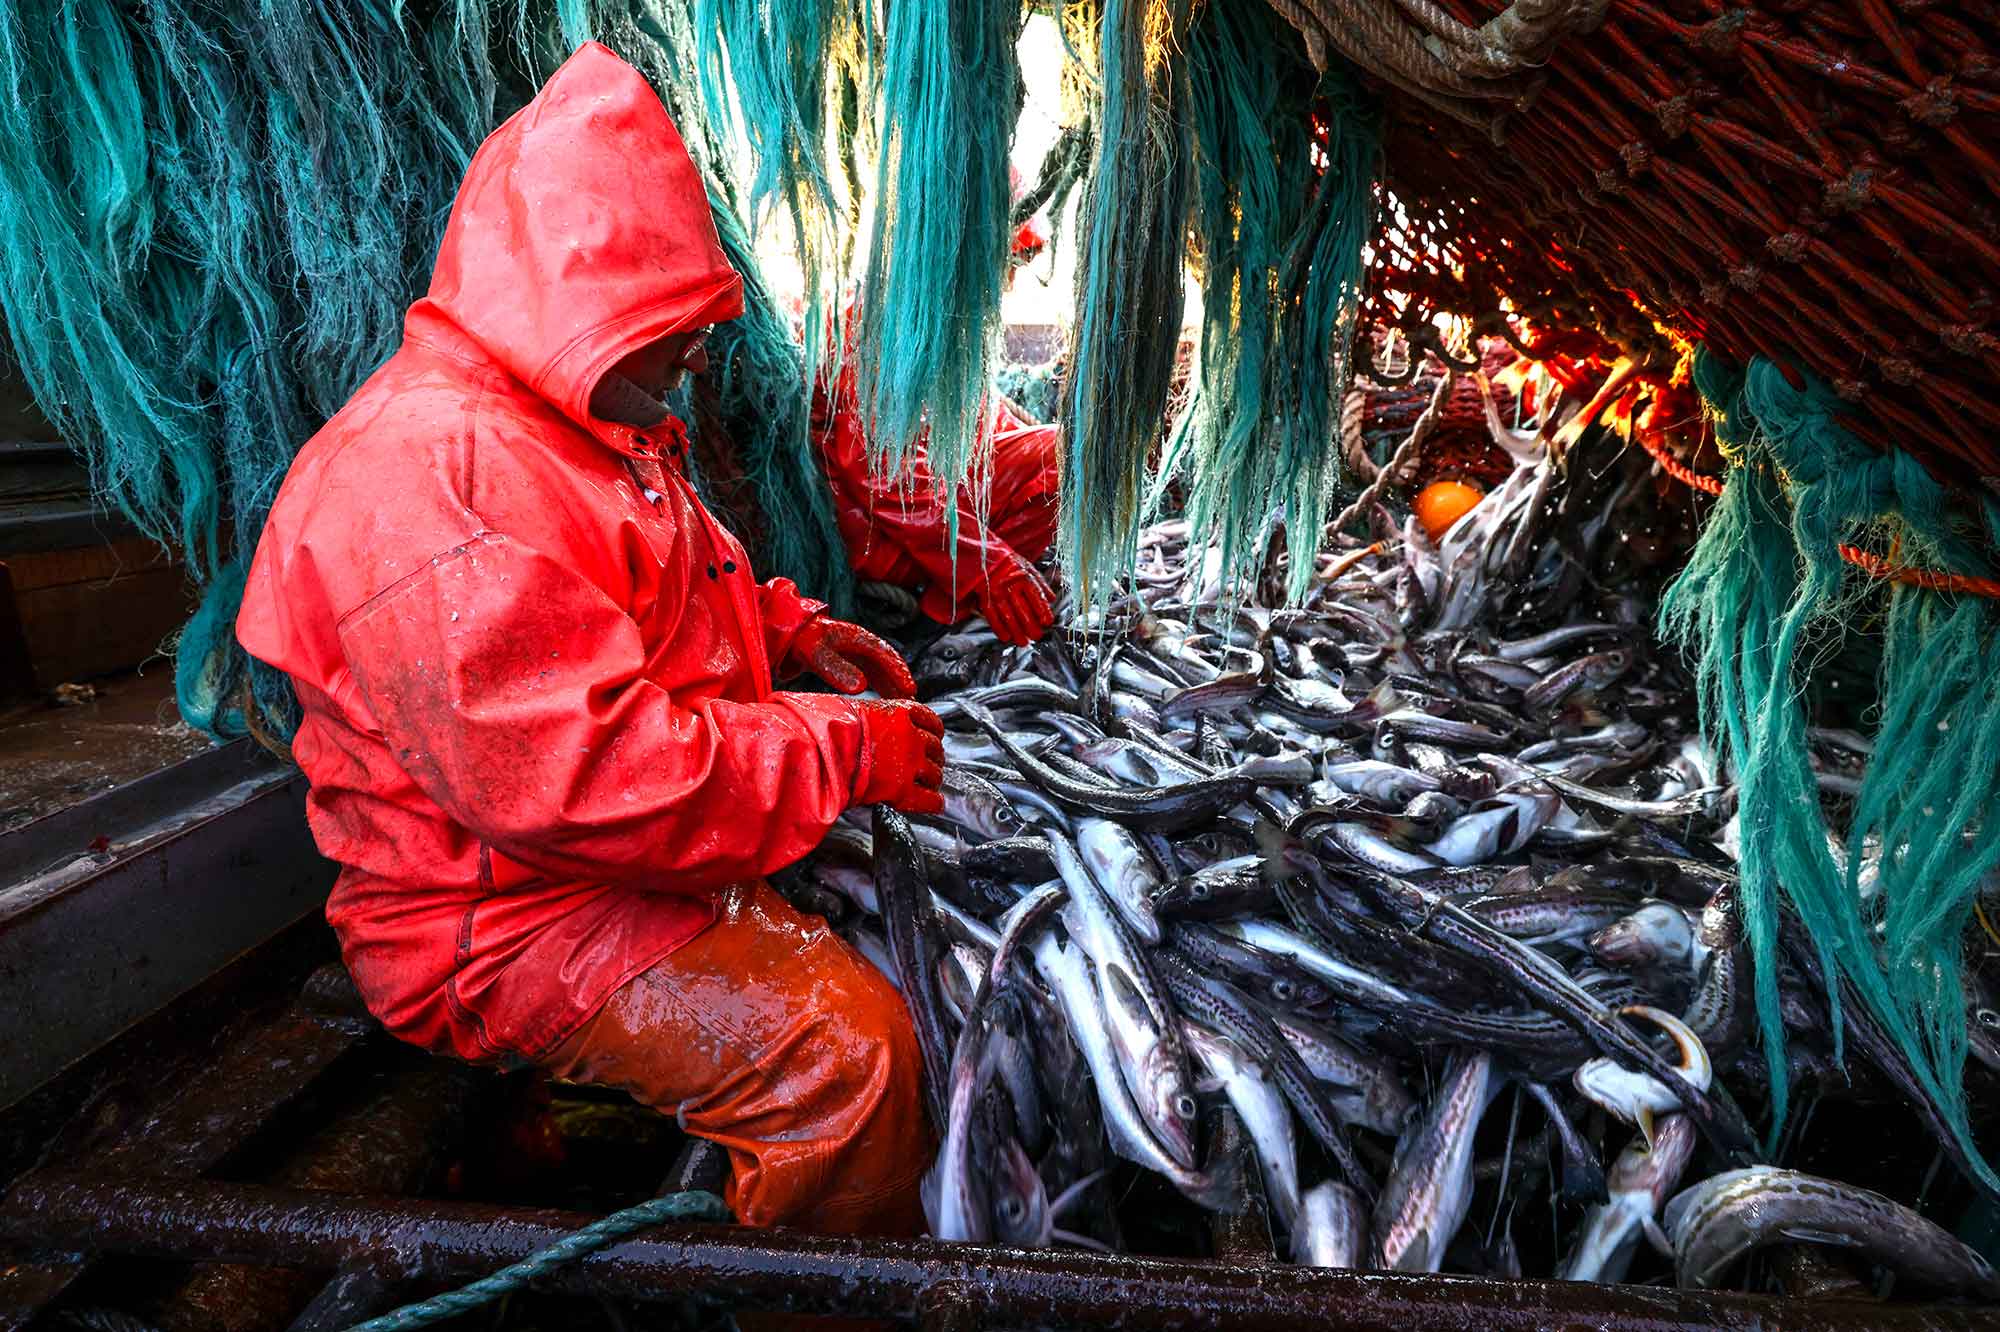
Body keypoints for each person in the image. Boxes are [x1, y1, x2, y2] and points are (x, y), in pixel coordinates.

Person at [236, 43, 939, 1238]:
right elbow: (580, 777)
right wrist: (837, 753)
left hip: (586, 869)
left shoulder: (565, 426)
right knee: (847, 1056)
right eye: (673, 318)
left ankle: (573, 1139)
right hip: (502, 918)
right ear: (577, 301)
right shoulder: (426, 475)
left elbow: (635, 583)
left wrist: (791, 627)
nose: (698, 348)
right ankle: (822, 1311)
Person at [813, 173, 1061, 648]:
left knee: (1066, 454)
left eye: (1021, 261)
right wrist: (990, 563)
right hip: (876, 536)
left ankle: (956, 605)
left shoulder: (940, 314)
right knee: (1063, 456)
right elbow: (883, 477)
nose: (1010, 281)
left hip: (933, 515)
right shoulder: (880, 319)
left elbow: (983, 428)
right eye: (1007, 260)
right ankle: (938, 623)